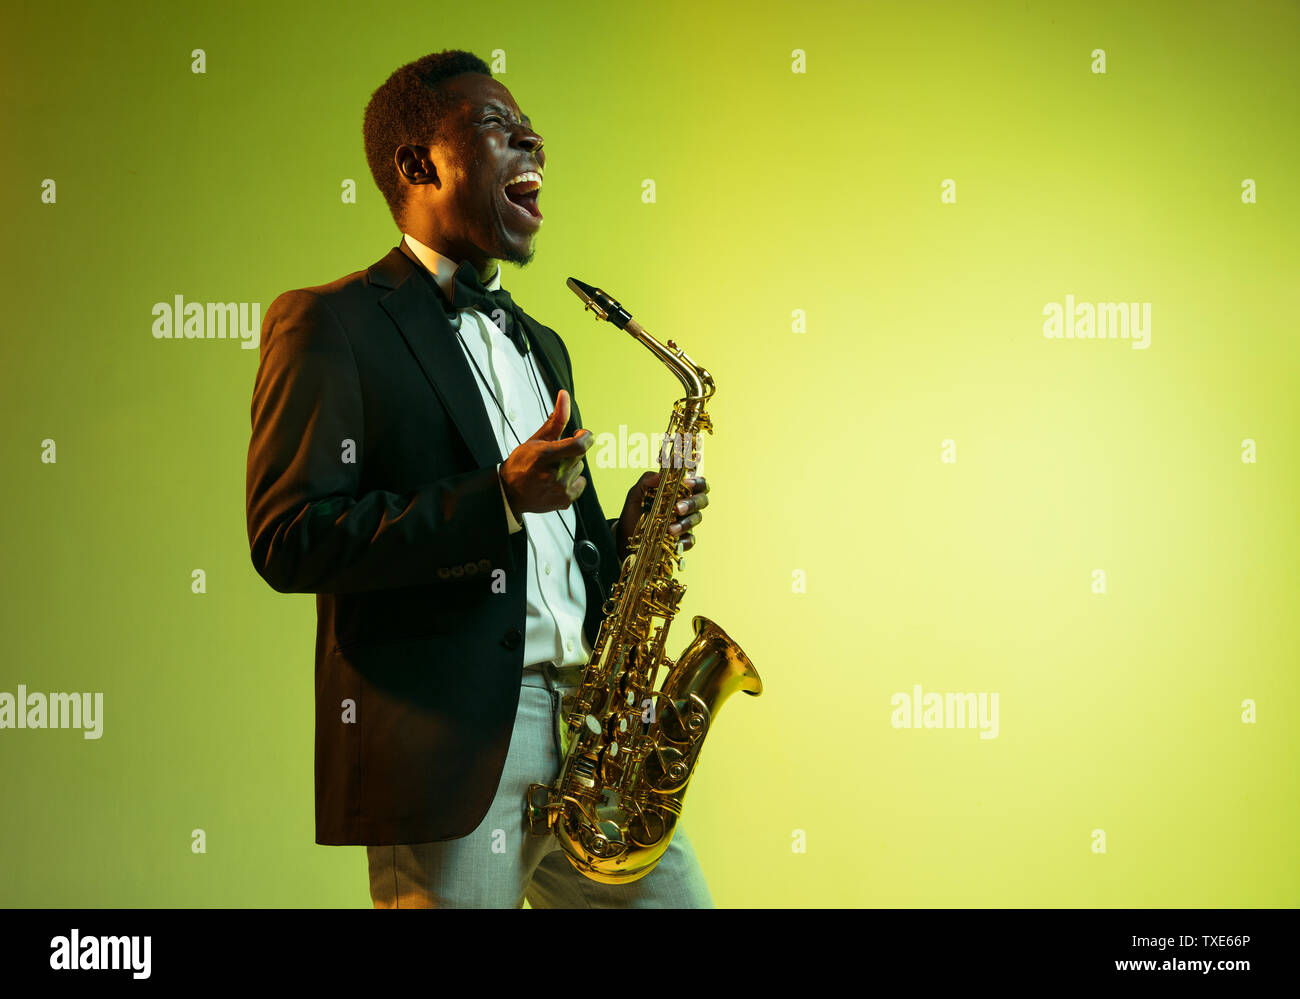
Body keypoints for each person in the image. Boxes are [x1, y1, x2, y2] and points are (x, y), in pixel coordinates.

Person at [244, 49, 713, 907]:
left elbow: (553, 548)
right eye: (497, 127)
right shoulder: (329, 323)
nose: (532, 140)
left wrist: (627, 533)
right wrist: (495, 496)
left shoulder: (544, 341)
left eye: (529, 126)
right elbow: (290, 537)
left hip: (596, 737)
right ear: (417, 164)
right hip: (454, 752)